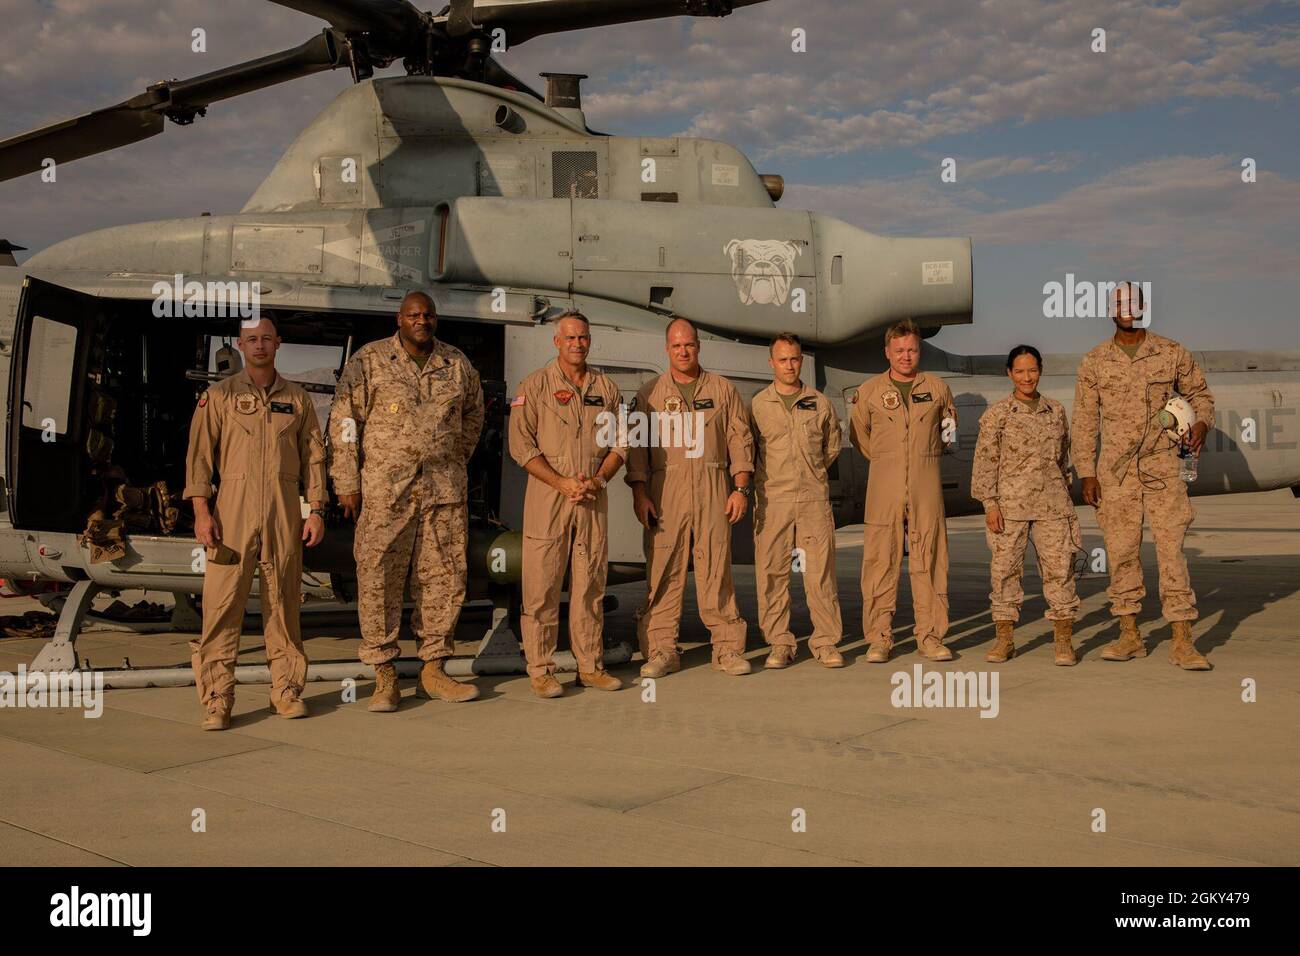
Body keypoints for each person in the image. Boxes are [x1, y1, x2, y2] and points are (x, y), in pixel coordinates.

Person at [328, 291, 485, 710]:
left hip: (443, 491)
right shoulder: (370, 361)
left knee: (444, 578)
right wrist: (346, 479)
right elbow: (344, 419)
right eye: (414, 314)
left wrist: (455, 455)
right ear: (399, 319)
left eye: (429, 314)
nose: (422, 320)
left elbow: (474, 414)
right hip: (385, 491)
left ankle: (434, 670)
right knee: (378, 575)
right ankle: (384, 676)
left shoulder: (456, 364)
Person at [185, 315, 327, 730]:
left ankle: (286, 691)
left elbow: (315, 458)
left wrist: (315, 508)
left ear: (278, 343)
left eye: (266, 338)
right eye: (252, 340)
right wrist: (201, 512)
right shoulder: (220, 397)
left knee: (283, 605)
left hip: (283, 511)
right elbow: (199, 458)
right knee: (222, 606)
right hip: (231, 511)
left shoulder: (298, 400)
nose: (260, 345)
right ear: (240, 345)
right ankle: (217, 700)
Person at [1072, 282, 1214, 670]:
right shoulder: (1095, 361)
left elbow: (1200, 394)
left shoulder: (1170, 352)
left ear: (1144, 306)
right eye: (1119, 303)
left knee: (1172, 552)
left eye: (1133, 302)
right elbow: (1084, 420)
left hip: (1164, 466)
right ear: (1109, 309)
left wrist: (1201, 423)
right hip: (1115, 474)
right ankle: (1129, 635)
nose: (1126, 308)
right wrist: (1086, 471)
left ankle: (1183, 640)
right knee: (1121, 553)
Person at [626, 317, 754, 678]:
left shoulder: (723, 389)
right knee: (663, 570)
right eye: (677, 346)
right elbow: (637, 451)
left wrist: (740, 488)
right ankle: (661, 651)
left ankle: (728, 649)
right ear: (667, 350)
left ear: (699, 346)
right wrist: (640, 493)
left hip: (714, 485)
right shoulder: (648, 393)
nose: (684, 351)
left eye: (690, 345)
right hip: (666, 491)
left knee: (717, 569)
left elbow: (740, 442)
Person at [508, 311, 627, 698]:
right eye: (571, 338)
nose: (578, 344)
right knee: (541, 587)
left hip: (592, 498)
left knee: (590, 585)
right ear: (556, 342)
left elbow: (622, 442)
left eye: (584, 338)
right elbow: (521, 446)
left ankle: (590, 666)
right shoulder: (535, 387)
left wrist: (599, 478)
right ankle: (542, 669)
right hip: (549, 498)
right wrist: (561, 482)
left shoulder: (607, 389)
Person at [849, 319, 957, 663]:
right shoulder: (869, 392)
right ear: (887, 352)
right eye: (899, 350)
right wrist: (890, 462)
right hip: (884, 487)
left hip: (926, 484)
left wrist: (919, 460)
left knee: (931, 560)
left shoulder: (938, 388)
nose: (906, 356)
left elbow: (947, 437)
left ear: (918, 350)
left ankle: (930, 635)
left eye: (911, 349)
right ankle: (880, 638)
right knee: (880, 562)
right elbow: (860, 438)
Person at [971, 345, 1080, 665]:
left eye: (1032, 370)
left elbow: (1063, 460)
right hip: (1010, 507)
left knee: (1060, 572)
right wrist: (990, 504)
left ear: (1040, 370)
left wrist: (1064, 495)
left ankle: (1063, 641)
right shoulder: (998, 414)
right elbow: (985, 462)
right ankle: (1005, 639)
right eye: (1019, 371)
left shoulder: (1056, 411)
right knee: (1004, 574)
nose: (1026, 377)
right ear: (1009, 373)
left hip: (1052, 506)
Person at [749, 332, 845, 669]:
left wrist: (810, 474)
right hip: (772, 499)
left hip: (812, 499)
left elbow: (831, 448)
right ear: (771, 362)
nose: (789, 366)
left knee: (818, 572)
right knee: (773, 573)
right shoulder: (759, 405)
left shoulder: (819, 403)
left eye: (795, 359)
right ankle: (779, 643)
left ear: (801, 360)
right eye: (783, 360)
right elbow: (753, 452)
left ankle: (825, 642)